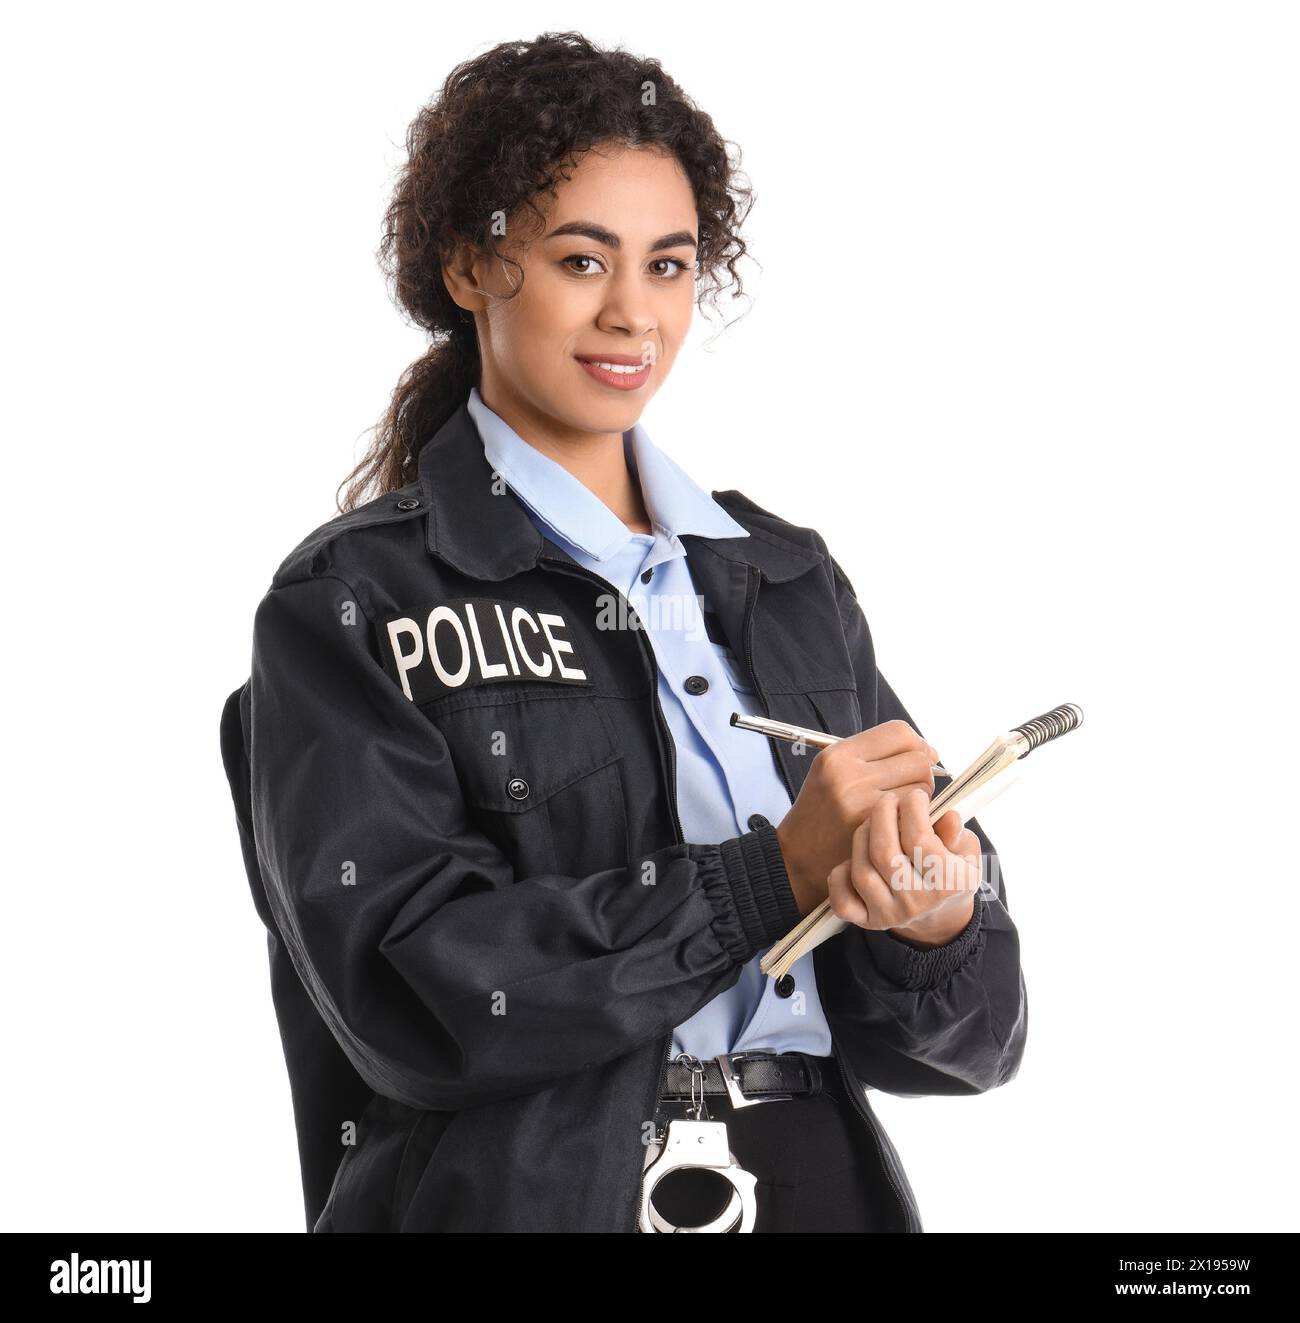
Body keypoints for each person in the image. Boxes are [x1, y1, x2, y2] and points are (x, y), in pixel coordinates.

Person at [219, 30, 1027, 1234]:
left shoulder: (784, 578)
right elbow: (411, 993)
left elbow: (966, 1047)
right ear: (467, 265)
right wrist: (773, 875)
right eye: (580, 259)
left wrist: (928, 914)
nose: (630, 315)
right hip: (531, 1197)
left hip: (816, 1187)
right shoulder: (351, 602)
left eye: (669, 265)